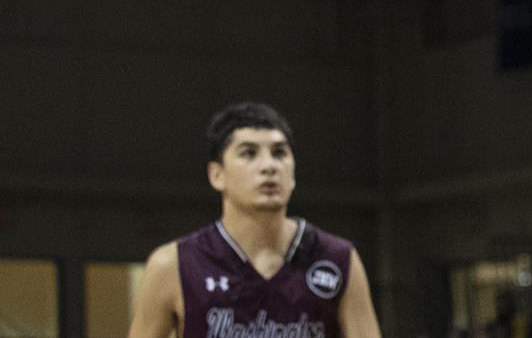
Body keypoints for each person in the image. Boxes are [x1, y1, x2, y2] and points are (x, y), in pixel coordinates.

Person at [127, 103, 382, 338]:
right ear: (217, 175)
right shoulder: (172, 264)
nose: (269, 166)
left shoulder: (338, 258)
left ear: (293, 172)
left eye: (279, 153)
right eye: (249, 153)